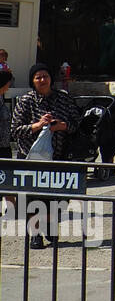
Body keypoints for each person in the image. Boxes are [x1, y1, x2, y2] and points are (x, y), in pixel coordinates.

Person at [9, 62, 82, 249]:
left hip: (58, 157)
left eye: (45, 76)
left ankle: (49, 226)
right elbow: (15, 131)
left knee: (57, 198)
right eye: (38, 77)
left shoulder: (63, 99)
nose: (42, 80)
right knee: (32, 199)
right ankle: (35, 235)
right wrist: (38, 125)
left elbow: (76, 124)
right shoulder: (25, 101)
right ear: (32, 81)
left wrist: (62, 126)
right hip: (31, 159)